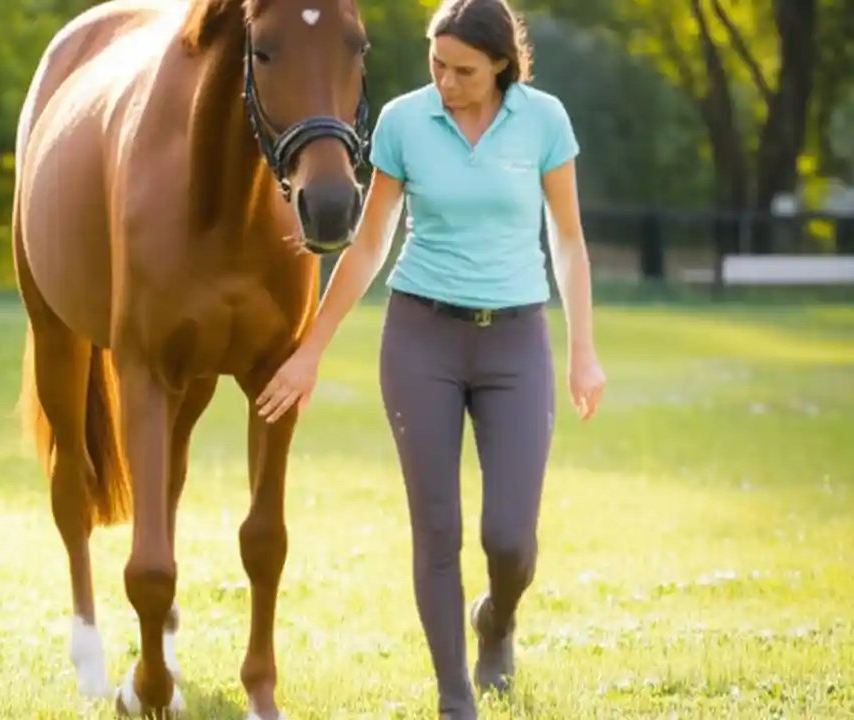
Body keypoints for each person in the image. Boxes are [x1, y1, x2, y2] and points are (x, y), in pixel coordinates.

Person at [253, 0, 607, 717]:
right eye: (435, 63)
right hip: (422, 339)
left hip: (515, 340)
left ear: (502, 65)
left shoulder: (544, 121)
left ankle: (496, 620)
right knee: (437, 528)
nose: (444, 81)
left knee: (511, 538)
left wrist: (584, 353)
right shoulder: (404, 122)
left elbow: (567, 240)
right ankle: (455, 700)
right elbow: (372, 239)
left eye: (463, 71)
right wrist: (310, 351)